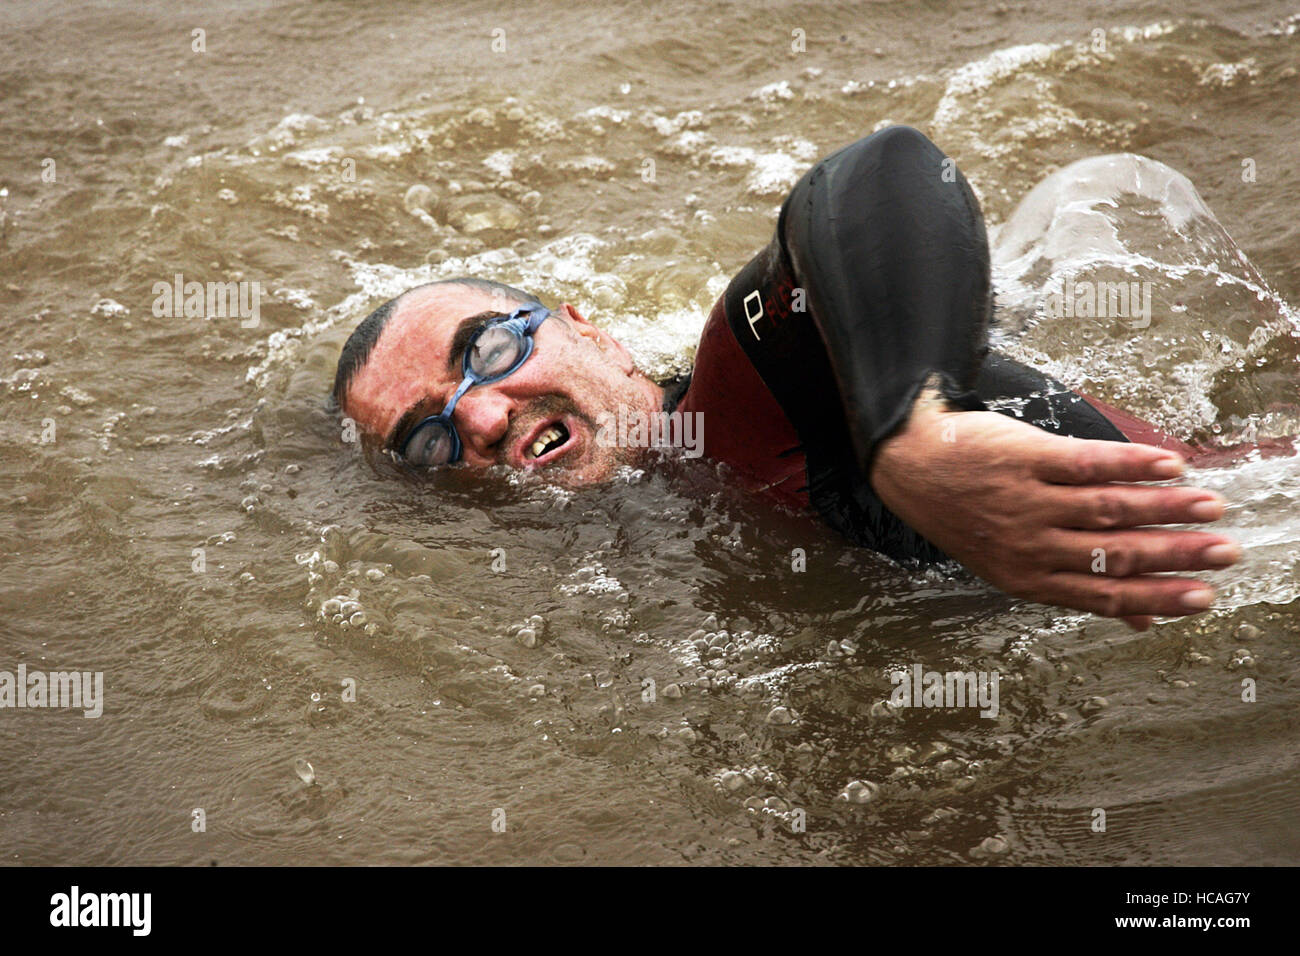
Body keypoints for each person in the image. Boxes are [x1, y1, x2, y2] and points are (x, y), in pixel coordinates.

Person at [332, 126, 1251, 631]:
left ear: (590, 330)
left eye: (487, 349)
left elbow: (883, 170)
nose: (483, 415)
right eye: (428, 436)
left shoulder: (745, 391)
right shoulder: (659, 562)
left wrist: (911, 436)